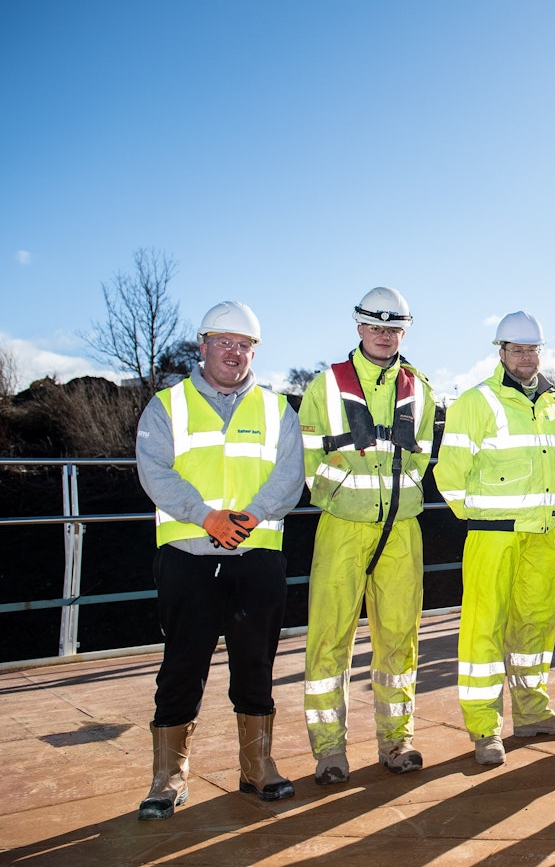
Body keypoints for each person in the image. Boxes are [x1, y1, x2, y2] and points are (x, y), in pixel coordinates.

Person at [134, 301, 303, 820]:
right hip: (188, 556)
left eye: (245, 344)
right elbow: (155, 472)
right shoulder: (168, 405)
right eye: (224, 342)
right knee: (183, 666)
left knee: (255, 665)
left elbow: (289, 475)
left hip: (256, 557)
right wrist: (206, 517)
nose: (235, 352)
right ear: (202, 345)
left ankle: (258, 769)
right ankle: (168, 779)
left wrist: (249, 516)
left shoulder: (277, 410)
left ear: (255, 352)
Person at [299, 287, 438, 784]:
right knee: (329, 640)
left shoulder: (420, 388)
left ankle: (397, 741)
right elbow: (307, 456)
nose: (384, 336)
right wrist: (339, 496)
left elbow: (420, 455)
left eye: (393, 328)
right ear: (359, 328)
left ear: (404, 332)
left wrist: (402, 495)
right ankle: (330, 751)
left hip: (401, 530)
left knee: (400, 640)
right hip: (342, 529)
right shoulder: (326, 385)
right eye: (376, 327)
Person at [434, 311, 555, 765]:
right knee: (484, 632)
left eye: (532, 349)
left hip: (542, 534)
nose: (525, 357)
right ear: (501, 353)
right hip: (494, 537)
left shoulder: (551, 403)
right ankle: (484, 729)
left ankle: (533, 712)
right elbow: (449, 474)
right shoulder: (477, 402)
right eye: (516, 349)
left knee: (537, 627)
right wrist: (484, 516)